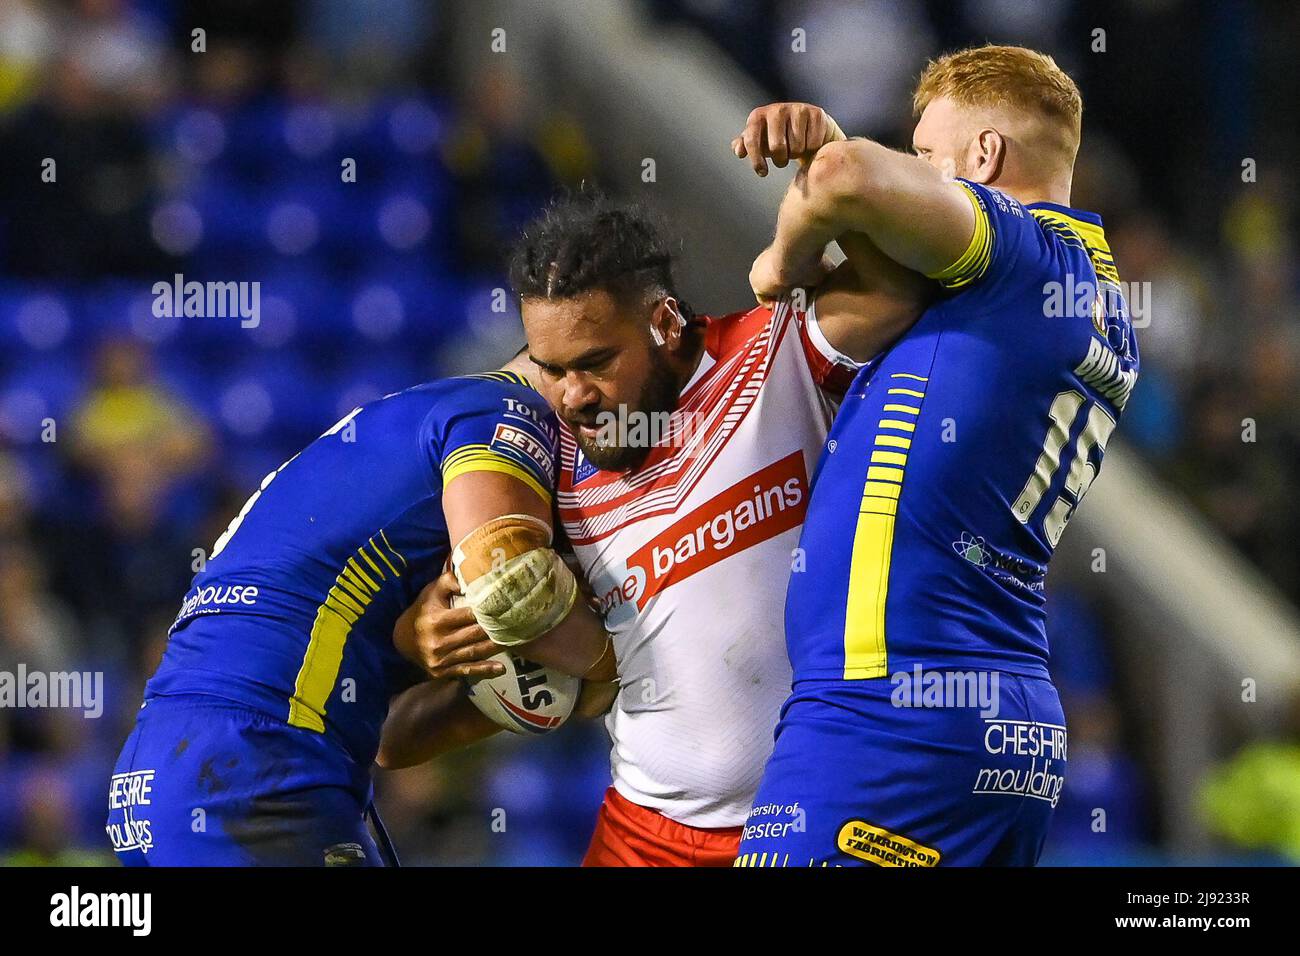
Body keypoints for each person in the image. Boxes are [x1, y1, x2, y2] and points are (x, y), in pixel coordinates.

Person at [732, 45, 1139, 866]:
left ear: (983, 156)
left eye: (926, 154)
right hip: (1010, 723)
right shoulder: (1098, 304)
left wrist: (783, 262)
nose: (918, 172)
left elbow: (846, 176)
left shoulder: (1018, 252)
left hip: (888, 716)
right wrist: (825, 146)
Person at [106, 371, 615, 865]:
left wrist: (422, 655)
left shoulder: (389, 435)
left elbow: (388, 741)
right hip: (251, 768)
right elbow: (505, 584)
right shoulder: (505, 413)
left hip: (164, 772)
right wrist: (611, 663)